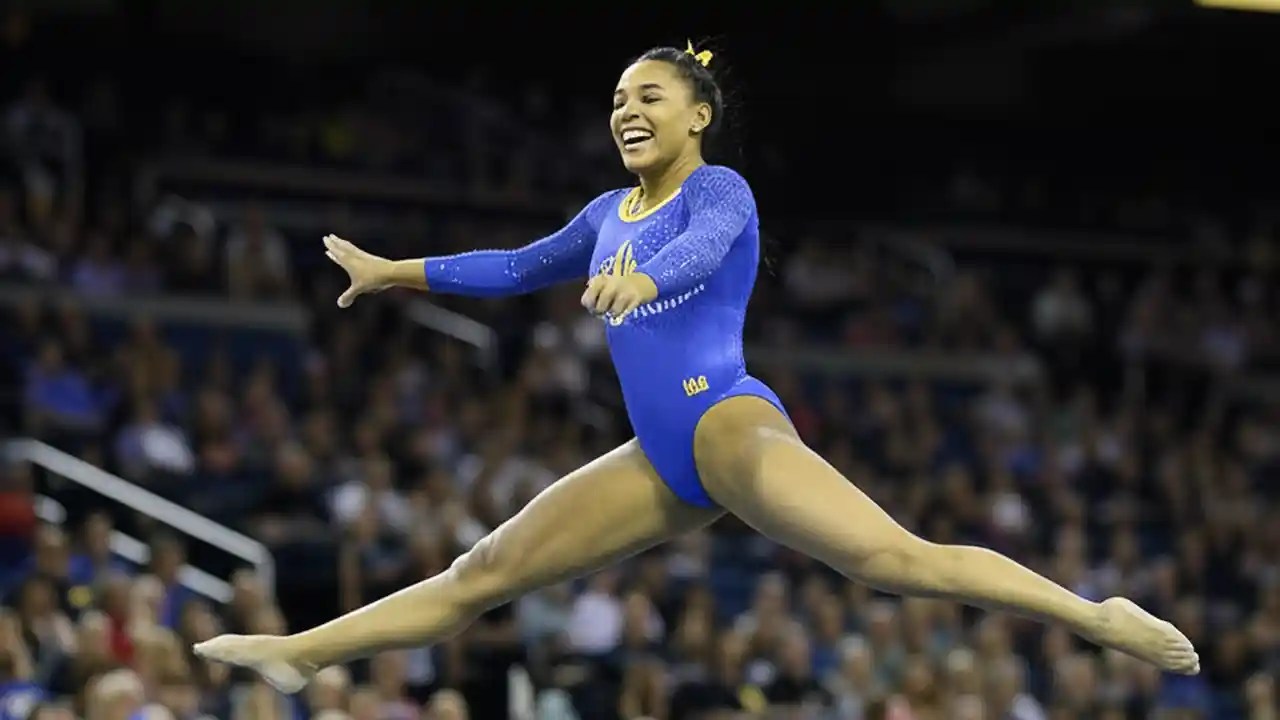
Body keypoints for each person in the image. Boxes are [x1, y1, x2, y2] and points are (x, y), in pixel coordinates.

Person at [194, 42, 1199, 692]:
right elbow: (514, 267)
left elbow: (701, 251)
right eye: (616, 99)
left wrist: (642, 278)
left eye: (650, 96)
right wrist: (393, 272)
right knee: (482, 574)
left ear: (696, 116)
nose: (626, 111)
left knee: (894, 563)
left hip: (726, 421)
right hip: (661, 459)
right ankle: (299, 653)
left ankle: (1092, 614)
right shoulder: (604, 213)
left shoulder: (720, 191)